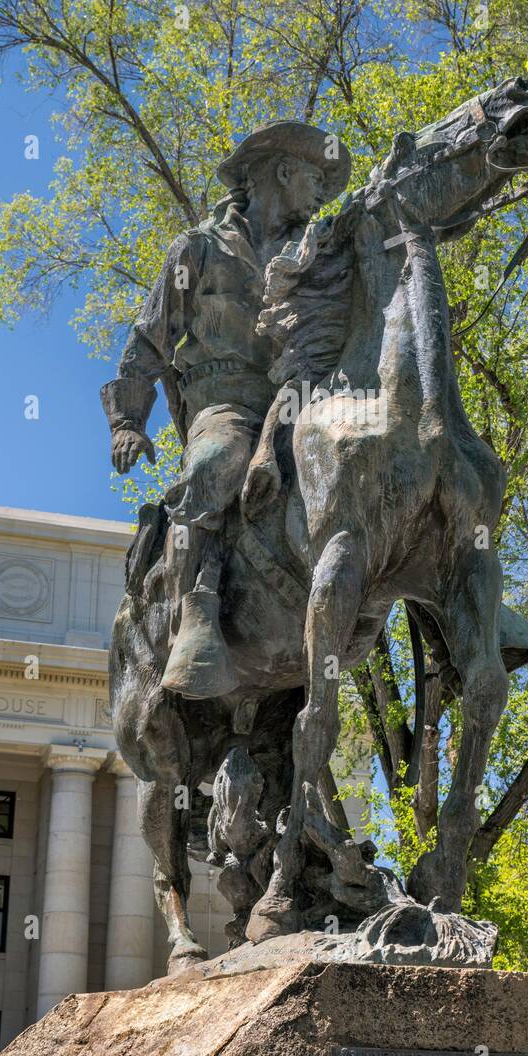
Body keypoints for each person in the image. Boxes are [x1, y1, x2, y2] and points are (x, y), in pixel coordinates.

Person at [101, 122, 350, 699]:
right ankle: (196, 610)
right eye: (316, 178)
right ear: (283, 172)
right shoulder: (199, 248)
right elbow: (148, 344)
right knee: (215, 463)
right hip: (227, 402)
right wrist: (126, 423)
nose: (320, 193)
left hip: (306, 401)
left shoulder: (315, 252)